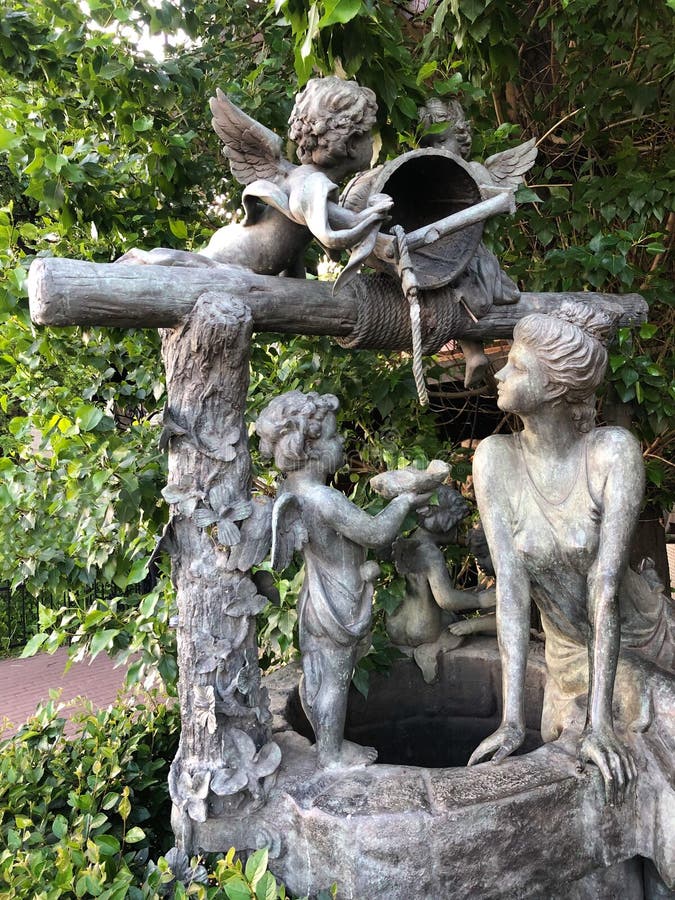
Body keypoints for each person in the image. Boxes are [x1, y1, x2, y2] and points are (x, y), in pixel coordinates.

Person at [467, 301, 674, 806]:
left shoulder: (612, 453)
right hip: (570, 657)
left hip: (643, 638)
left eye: (516, 365)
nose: (500, 372)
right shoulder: (494, 459)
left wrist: (600, 724)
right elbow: (511, 593)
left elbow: (603, 589)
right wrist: (512, 720)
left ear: (556, 386)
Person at [256, 390, 426, 769]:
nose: (341, 441)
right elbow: (377, 533)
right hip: (340, 599)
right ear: (311, 447)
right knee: (335, 677)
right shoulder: (323, 498)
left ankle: (325, 741)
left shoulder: (290, 492)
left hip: (315, 598)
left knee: (318, 673)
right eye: (333, 437)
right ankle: (331, 753)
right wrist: (404, 502)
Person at [117, 77, 391, 279]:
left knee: (196, 265)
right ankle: (138, 259)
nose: (372, 143)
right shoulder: (313, 184)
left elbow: (308, 234)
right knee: (193, 267)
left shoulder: (303, 178)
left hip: (244, 244)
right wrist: (376, 214)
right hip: (241, 252)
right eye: (369, 135)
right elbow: (331, 237)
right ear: (352, 143)